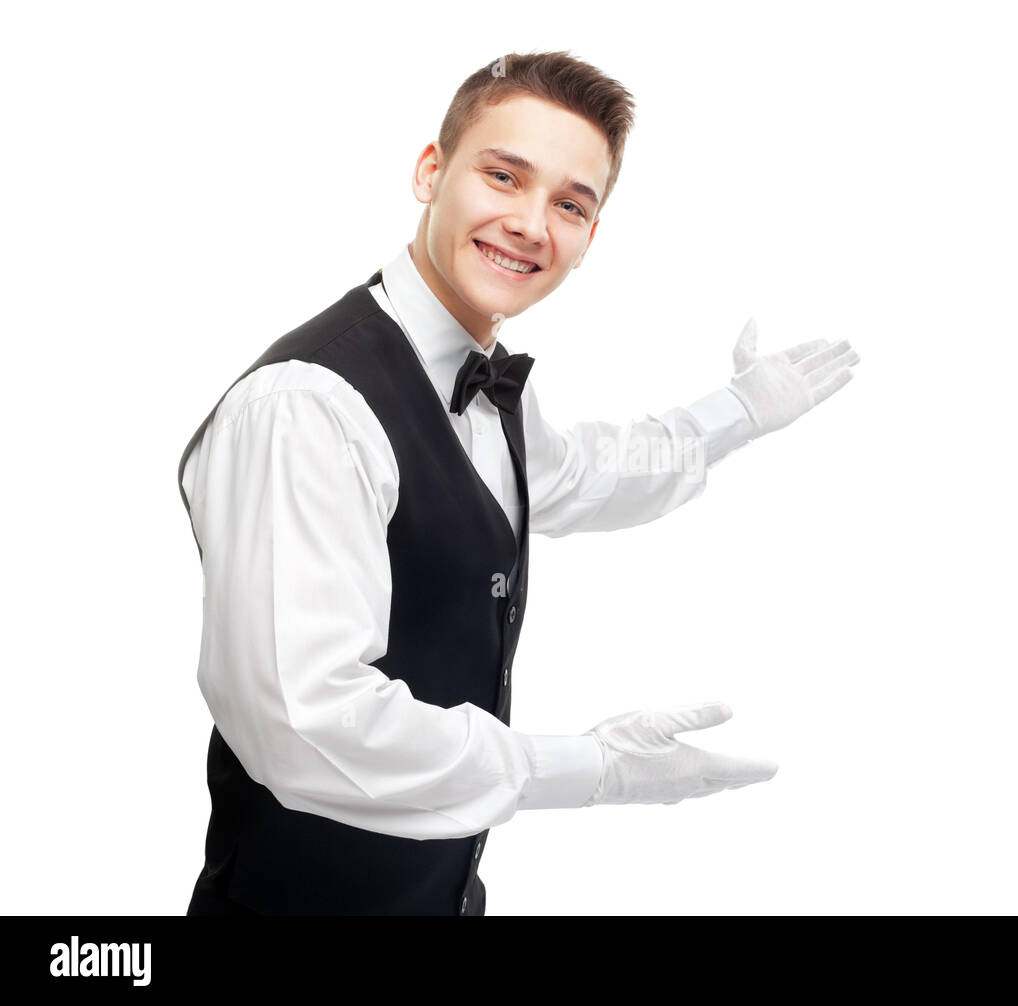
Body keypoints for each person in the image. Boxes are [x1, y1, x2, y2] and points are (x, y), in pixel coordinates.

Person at [176, 50, 859, 916]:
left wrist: (740, 410)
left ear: (590, 238)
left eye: (570, 205)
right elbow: (306, 725)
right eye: (504, 175)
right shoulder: (305, 409)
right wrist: (594, 769)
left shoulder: (482, 377)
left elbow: (577, 475)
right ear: (432, 171)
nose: (532, 224)